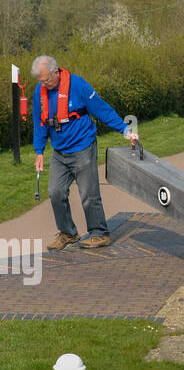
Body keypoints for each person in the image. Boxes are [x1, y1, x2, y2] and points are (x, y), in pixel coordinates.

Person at [32, 56, 140, 250]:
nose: (44, 84)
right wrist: (39, 151)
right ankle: (68, 233)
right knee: (55, 192)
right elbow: (39, 123)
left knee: (89, 194)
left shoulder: (79, 85)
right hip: (59, 152)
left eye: (46, 80)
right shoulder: (39, 92)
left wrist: (125, 130)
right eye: (40, 81)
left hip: (83, 147)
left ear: (56, 72)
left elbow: (101, 109)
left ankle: (99, 234)